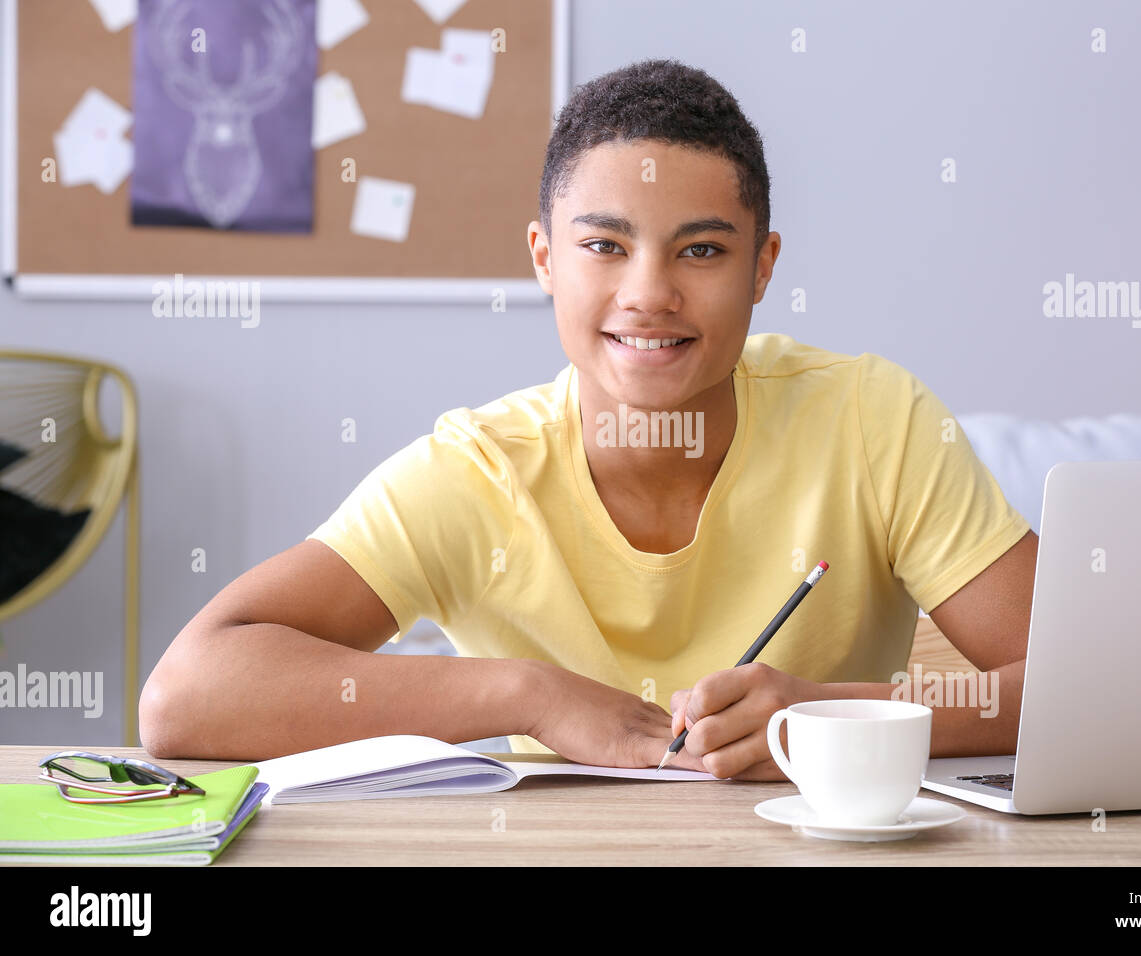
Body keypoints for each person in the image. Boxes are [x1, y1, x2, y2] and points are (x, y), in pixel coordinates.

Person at [140, 58, 1037, 780]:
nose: (649, 294)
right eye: (604, 245)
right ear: (543, 258)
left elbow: (1088, 685)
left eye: (703, 250)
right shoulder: (478, 471)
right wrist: (527, 694)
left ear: (763, 269)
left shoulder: (872, 418)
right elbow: (184, 699)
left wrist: (828, 718)